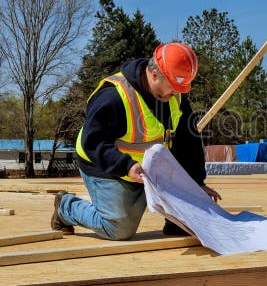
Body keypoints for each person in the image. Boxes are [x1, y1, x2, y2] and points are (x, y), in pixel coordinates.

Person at [51, 42, 220, 240]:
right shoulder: (114, 96)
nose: (176, 93)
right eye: (173, 87)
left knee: (193, 221)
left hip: (148, 169)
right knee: (119, 228)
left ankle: (174, 221)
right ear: (155, 74)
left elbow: (188, 140)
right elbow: (93, 142)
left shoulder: (176, 96)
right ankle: (66, 207)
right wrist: (126, 166)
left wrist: (197, 183)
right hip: (106, 164)